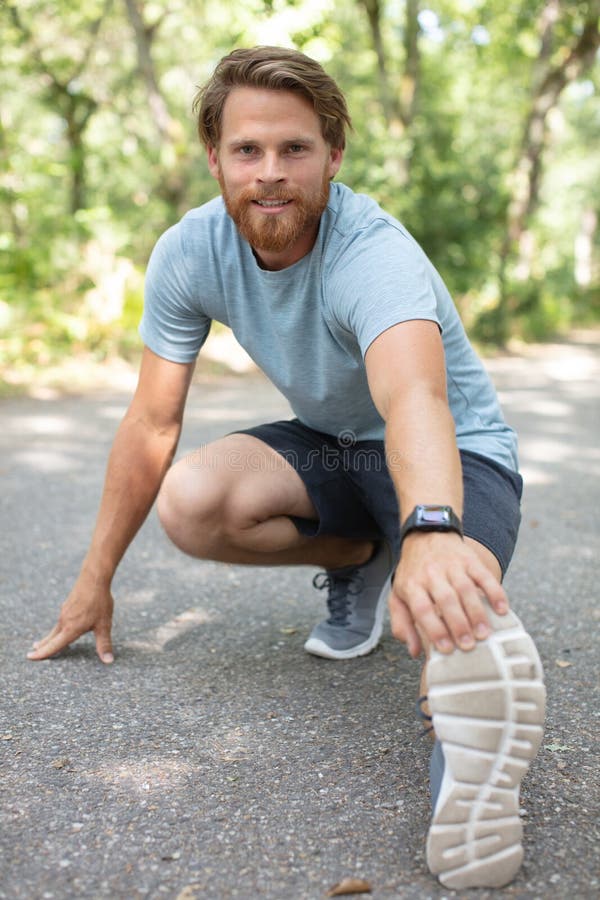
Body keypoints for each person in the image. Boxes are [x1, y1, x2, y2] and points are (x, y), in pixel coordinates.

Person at [28, 47, 545, 889]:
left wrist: (435, 530)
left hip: (456, 462)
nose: (271, 174)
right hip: (331, 450)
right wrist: (95, 578)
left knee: (457, 615)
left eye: (295, 150)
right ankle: (362, 561)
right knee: (194, 499)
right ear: (215, 157)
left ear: (333, 156)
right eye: (248, 151)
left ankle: (464, 755)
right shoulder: (190, 252)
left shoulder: (373, 252)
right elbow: (152, 420)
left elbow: (416, 398)